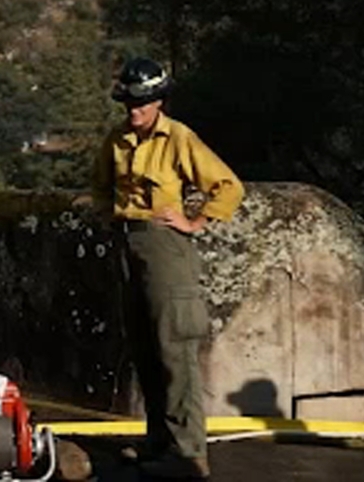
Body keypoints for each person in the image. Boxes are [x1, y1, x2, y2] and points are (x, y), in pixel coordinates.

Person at [79, 57, 244, 480]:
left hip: (165, 245)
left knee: (175, 349)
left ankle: (188, 453)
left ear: (158, 102)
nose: (134, 110)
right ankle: (158, 442)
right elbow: (100, 184)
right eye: (128, 103)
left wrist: (194, 222)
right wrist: (109, 215)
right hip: (128, 242)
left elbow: (227, 186)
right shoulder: (117, 139)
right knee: (145, 347)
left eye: (142, 103)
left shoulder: (178, 138)